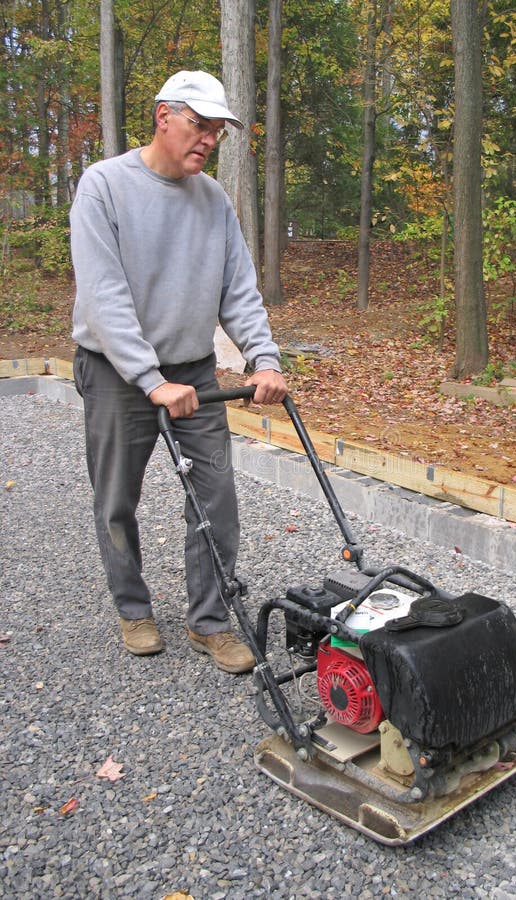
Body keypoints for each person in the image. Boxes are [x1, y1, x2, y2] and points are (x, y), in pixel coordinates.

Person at [70, 70, 287, 673]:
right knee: (117, 497)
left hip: (191, 367)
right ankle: (133, 608)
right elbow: (103, 298)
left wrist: (262, 358)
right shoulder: (105, 187)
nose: (208, 140)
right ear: (163, 115)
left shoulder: (214, 201)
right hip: (117, 372)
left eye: (217, 132)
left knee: (216, 496)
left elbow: (239, 290)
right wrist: (150, 380)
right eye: (199, 126)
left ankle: (209, 620)